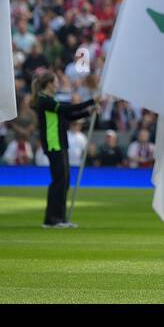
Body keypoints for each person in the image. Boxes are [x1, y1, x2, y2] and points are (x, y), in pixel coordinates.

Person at [31, 69, 97, 229]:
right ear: (48, 84)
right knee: (59, 182)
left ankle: (59, 218)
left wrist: (89, 111)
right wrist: (91, 101)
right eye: (55, 82)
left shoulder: (50, 100)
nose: (58, 84)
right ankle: (52, 219)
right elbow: (67, 110)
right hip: (54, 145)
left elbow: (69, 116)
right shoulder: (45, 101)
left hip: (60, 143)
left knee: (64, 182)